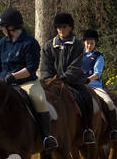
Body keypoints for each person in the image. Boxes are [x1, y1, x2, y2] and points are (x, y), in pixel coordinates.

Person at [0, 8, 58, 151]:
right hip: (4, 83)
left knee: (40, 100)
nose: (2, 30)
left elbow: (31, 68)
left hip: (27, 82)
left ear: (12, 26)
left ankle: (46, 137)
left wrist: (13, 76)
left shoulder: (30, 43)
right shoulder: (2, 43)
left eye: (3, 27)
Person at [39, 12, 96, 145]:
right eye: (58, 27)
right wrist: (50, 81)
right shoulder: (48, 46)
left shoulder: (77, 45)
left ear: (70, 27)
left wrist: (63, 79)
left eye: (64, 27)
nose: (61, 30)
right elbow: (45, 67)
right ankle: (44, 134)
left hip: (73, 82)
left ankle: (88, 130)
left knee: (87, 98)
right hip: (51, 83)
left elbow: (75, 67)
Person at [81, 28, 117, 140]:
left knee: (109, 103)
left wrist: (87, 80)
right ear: (84, 42)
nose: (89, 45)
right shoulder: (79, 55)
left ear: (95, 44)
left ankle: (113, 130)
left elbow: (97, 73)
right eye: (88, 43)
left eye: (92, 43)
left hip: (94, 86)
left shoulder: (99, 56)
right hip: (80, 86)